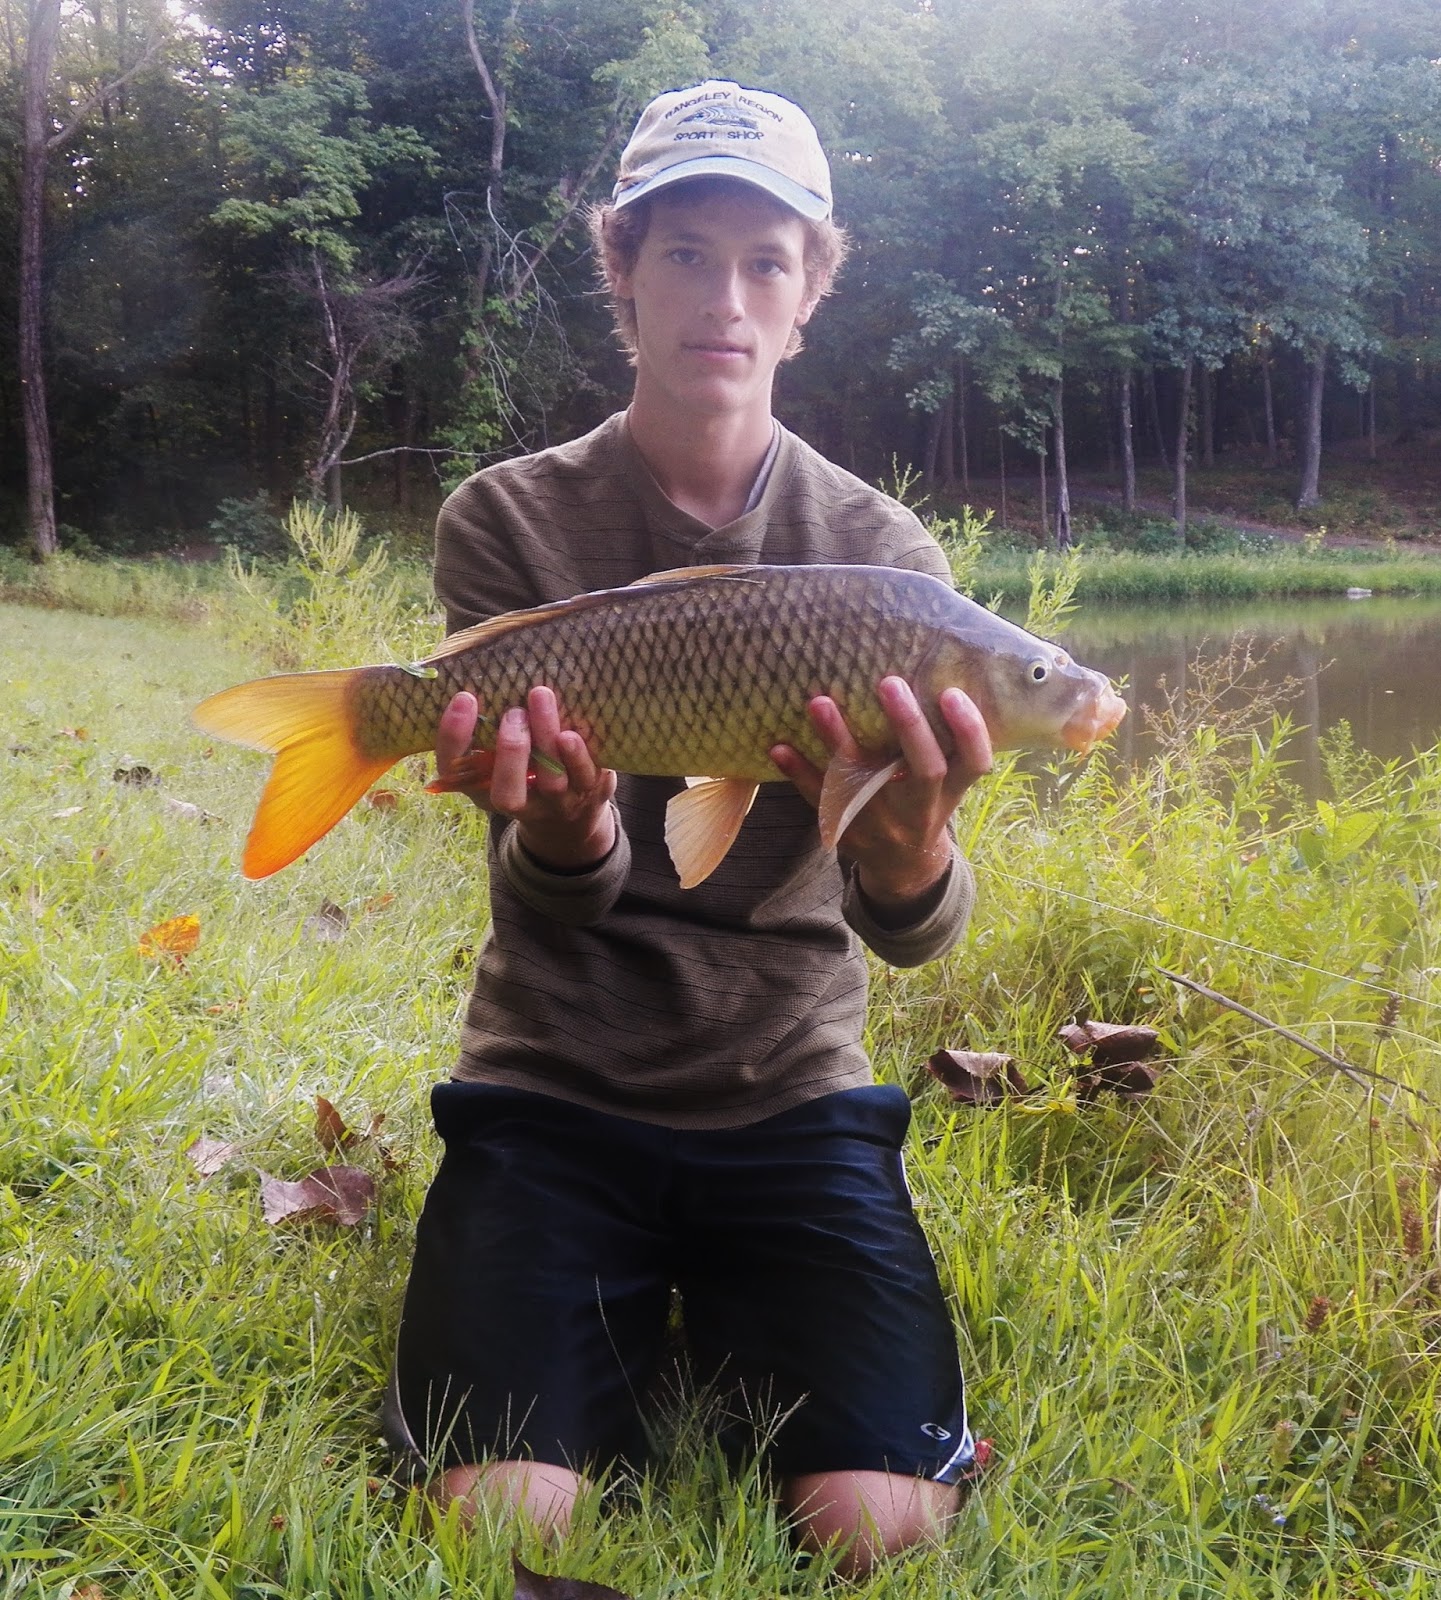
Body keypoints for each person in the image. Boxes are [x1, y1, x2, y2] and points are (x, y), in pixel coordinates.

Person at [385, 80, 994, 1578]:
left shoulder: (881, 562)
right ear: (622, 270)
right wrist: (571, 827)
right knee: (498, 1529)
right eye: (682, 254)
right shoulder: (505, 519)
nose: (723, 296)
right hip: (554, 1079)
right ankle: (610, 1301)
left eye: (764, 261)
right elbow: (557, 893)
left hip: (785, 1085)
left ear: (809, 294)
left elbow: (904, 933)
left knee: (882, 1525)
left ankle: (719, 1297)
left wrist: (912, 848)